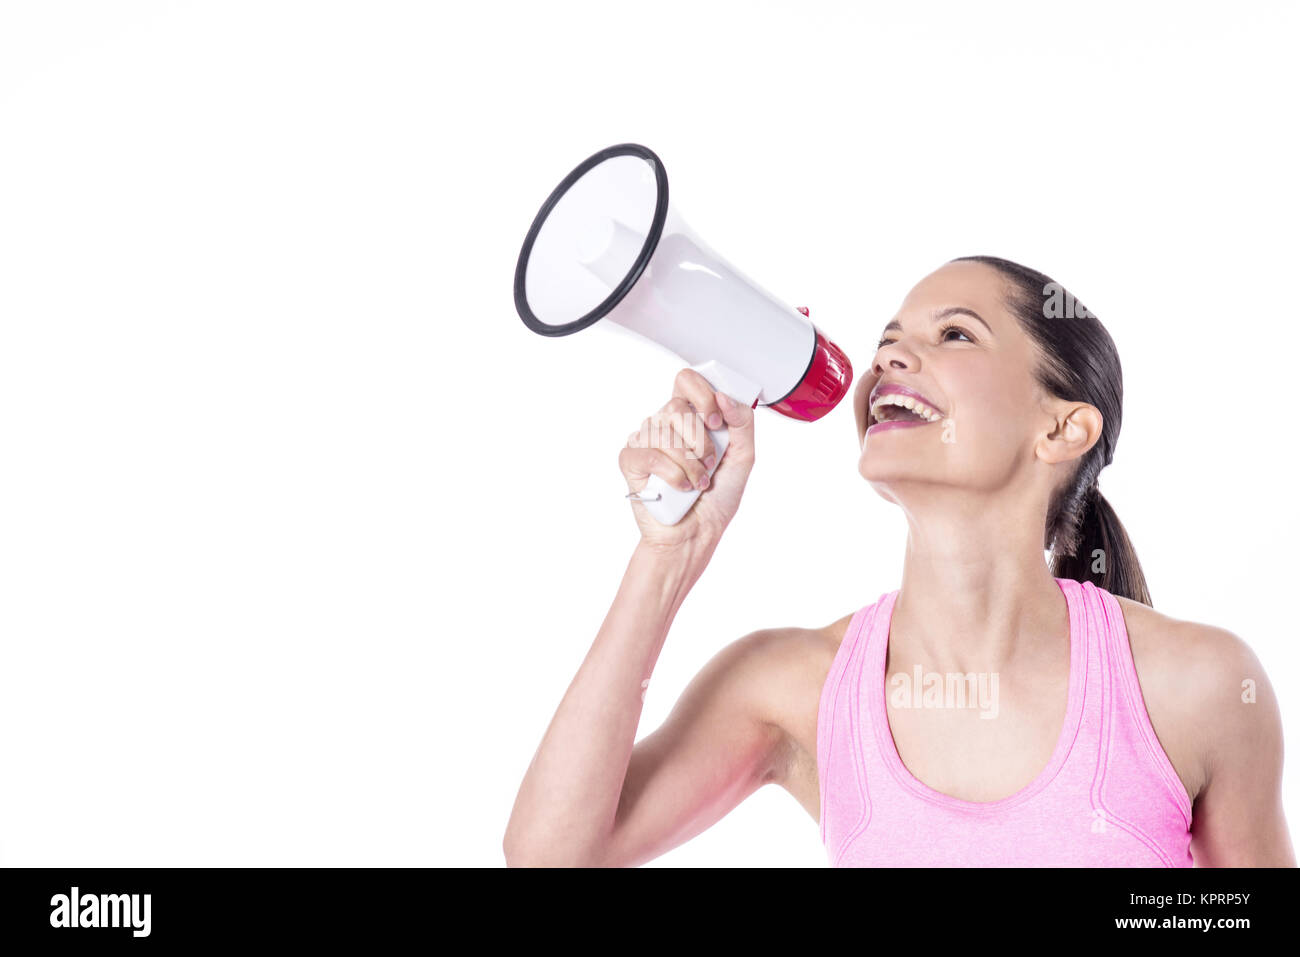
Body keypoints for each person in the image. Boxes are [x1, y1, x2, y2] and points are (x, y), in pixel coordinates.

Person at [502, 255, 1295, 867]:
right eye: (887, 341)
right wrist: (668, 554)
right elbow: (551, 855)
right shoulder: (792, 685)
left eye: (953, 334)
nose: (889, 360)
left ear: (1062, 430)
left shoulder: (1203, 685)